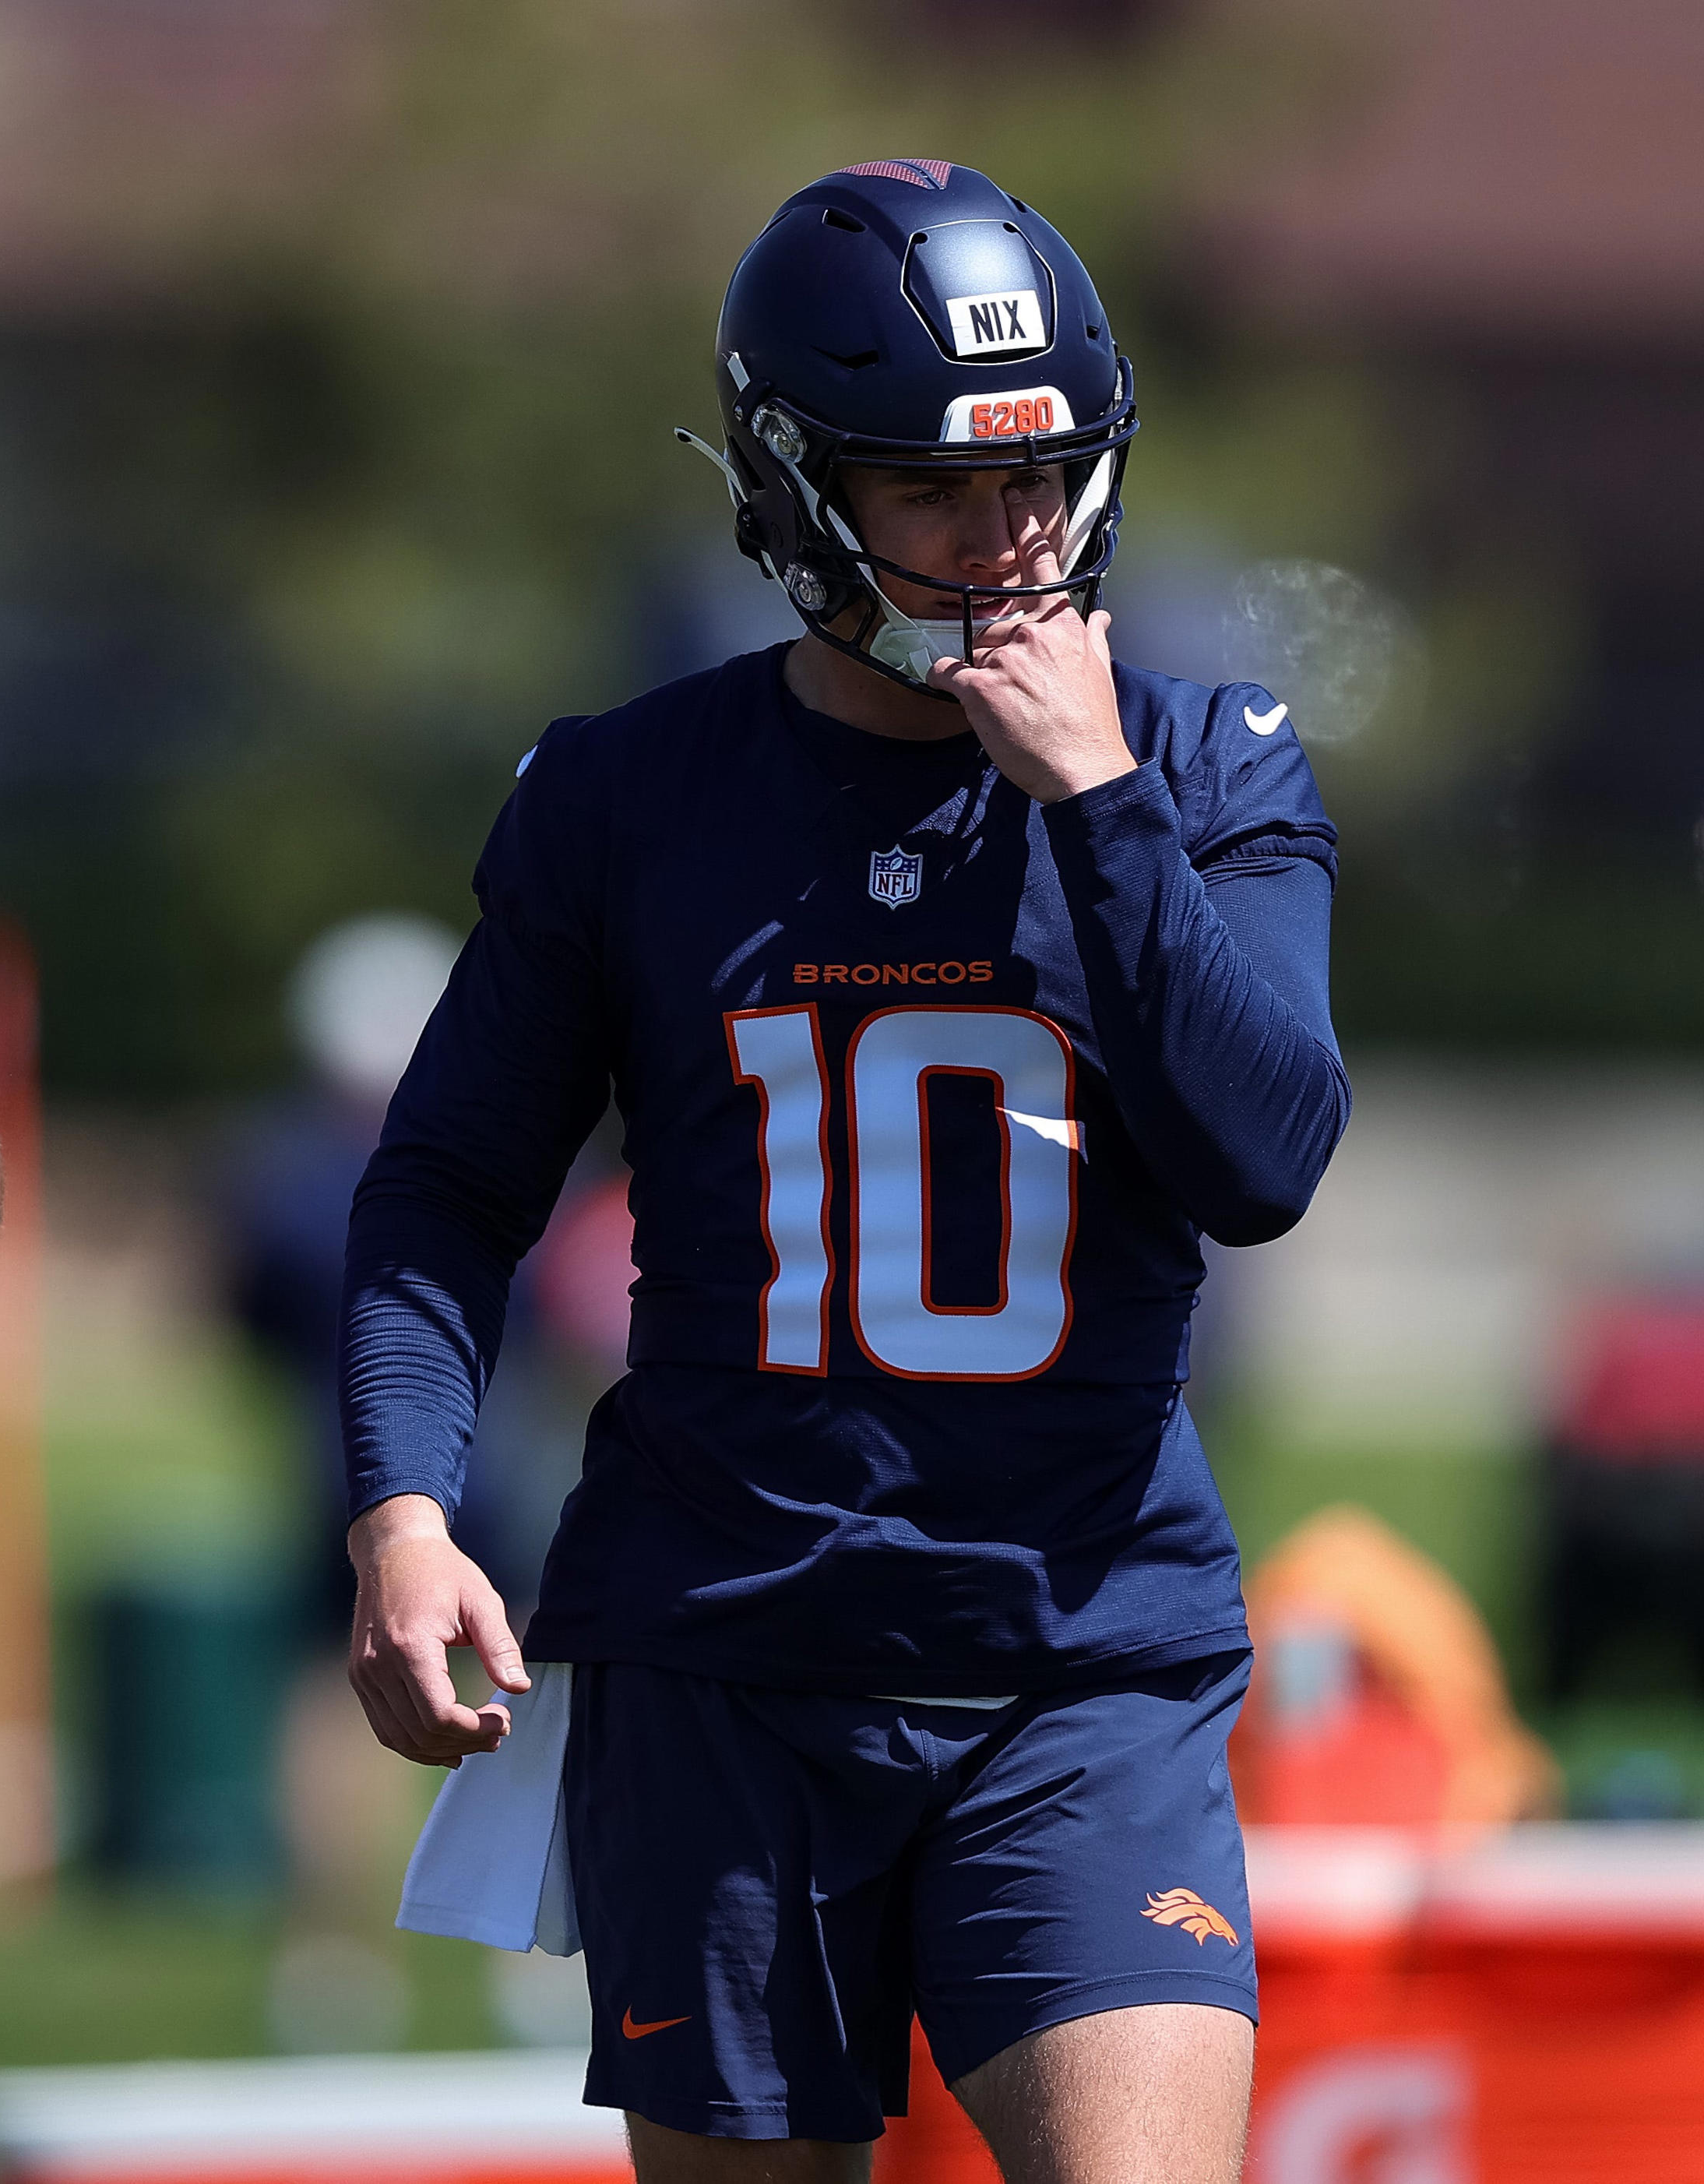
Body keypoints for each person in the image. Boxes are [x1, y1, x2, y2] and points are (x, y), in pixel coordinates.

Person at [343, 160, 1346, 2182]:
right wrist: (401, 1502)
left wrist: (1100, 805)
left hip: (1083, 1652)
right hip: (731, 1652)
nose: (1012, 544)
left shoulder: (1208, 759)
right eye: (940, 494)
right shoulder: (628, 797)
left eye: (1046, 480)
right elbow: (448, 1182)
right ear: (799, 498)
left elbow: (1266, 1155)